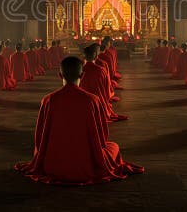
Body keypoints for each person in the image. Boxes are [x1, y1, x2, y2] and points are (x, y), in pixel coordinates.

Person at [15, 56, 144, 185]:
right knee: (114, 147)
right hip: (86, 163)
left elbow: (40, 138)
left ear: (60, 75)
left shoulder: (48, 100)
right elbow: (102, 135)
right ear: (82, 75)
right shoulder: (92, 100)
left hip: (54, 164)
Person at [80, 45, 127, 122]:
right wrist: (108, 97)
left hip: (83, 104)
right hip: (99, 102)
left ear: (84, 56)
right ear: (96, 56)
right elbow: (106, 86)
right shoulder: (101, 70)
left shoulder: (80, 69)